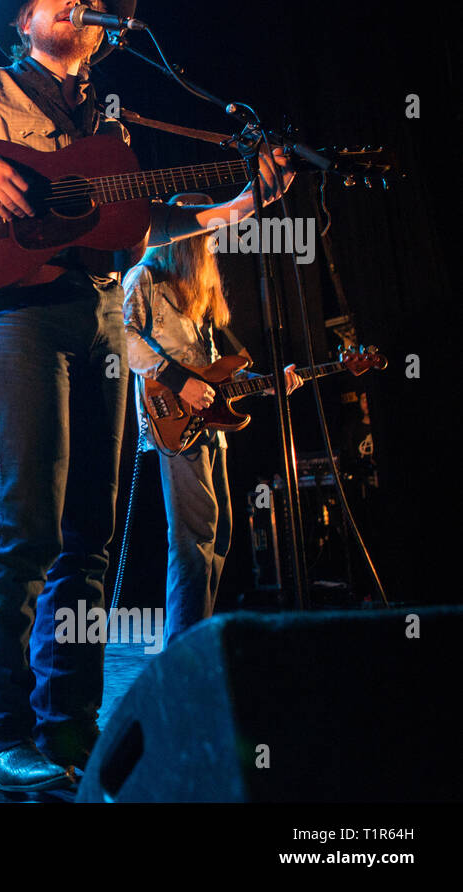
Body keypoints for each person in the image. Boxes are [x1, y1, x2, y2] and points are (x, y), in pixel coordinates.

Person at [0, 0, 293, 792]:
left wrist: (248, 200)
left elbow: (153, 222)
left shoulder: (113, 127)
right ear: (24, 21)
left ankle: (71, 726)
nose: (78, 1)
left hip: (101, 312)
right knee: (25, 522)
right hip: (14, 317)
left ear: (104, 34)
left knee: (88, 538)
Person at [123, 194, 302, 647]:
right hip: (172, 426)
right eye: (205, 236)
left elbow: (219, 373)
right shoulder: (144, 277)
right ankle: (185, 653)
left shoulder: (197, 299)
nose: (212, 246)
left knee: (219, 534)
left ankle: (194, 638)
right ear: (183, 238)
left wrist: (268, 382)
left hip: (209, 427)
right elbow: (121, 337)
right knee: (193, 538)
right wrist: (176, 379)